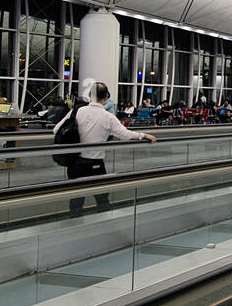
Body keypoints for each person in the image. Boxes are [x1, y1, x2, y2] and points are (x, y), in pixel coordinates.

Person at [54, 82, 156, 216]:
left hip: (75, 162)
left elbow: (57, 129)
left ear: (90, 95)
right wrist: (144, 135)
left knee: (77, 197)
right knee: (102, 198)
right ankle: (104, 224)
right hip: (95, 163)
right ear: (106, 97)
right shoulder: (108, 117)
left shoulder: (77, 111)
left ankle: (75, 223)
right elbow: (125, 135)